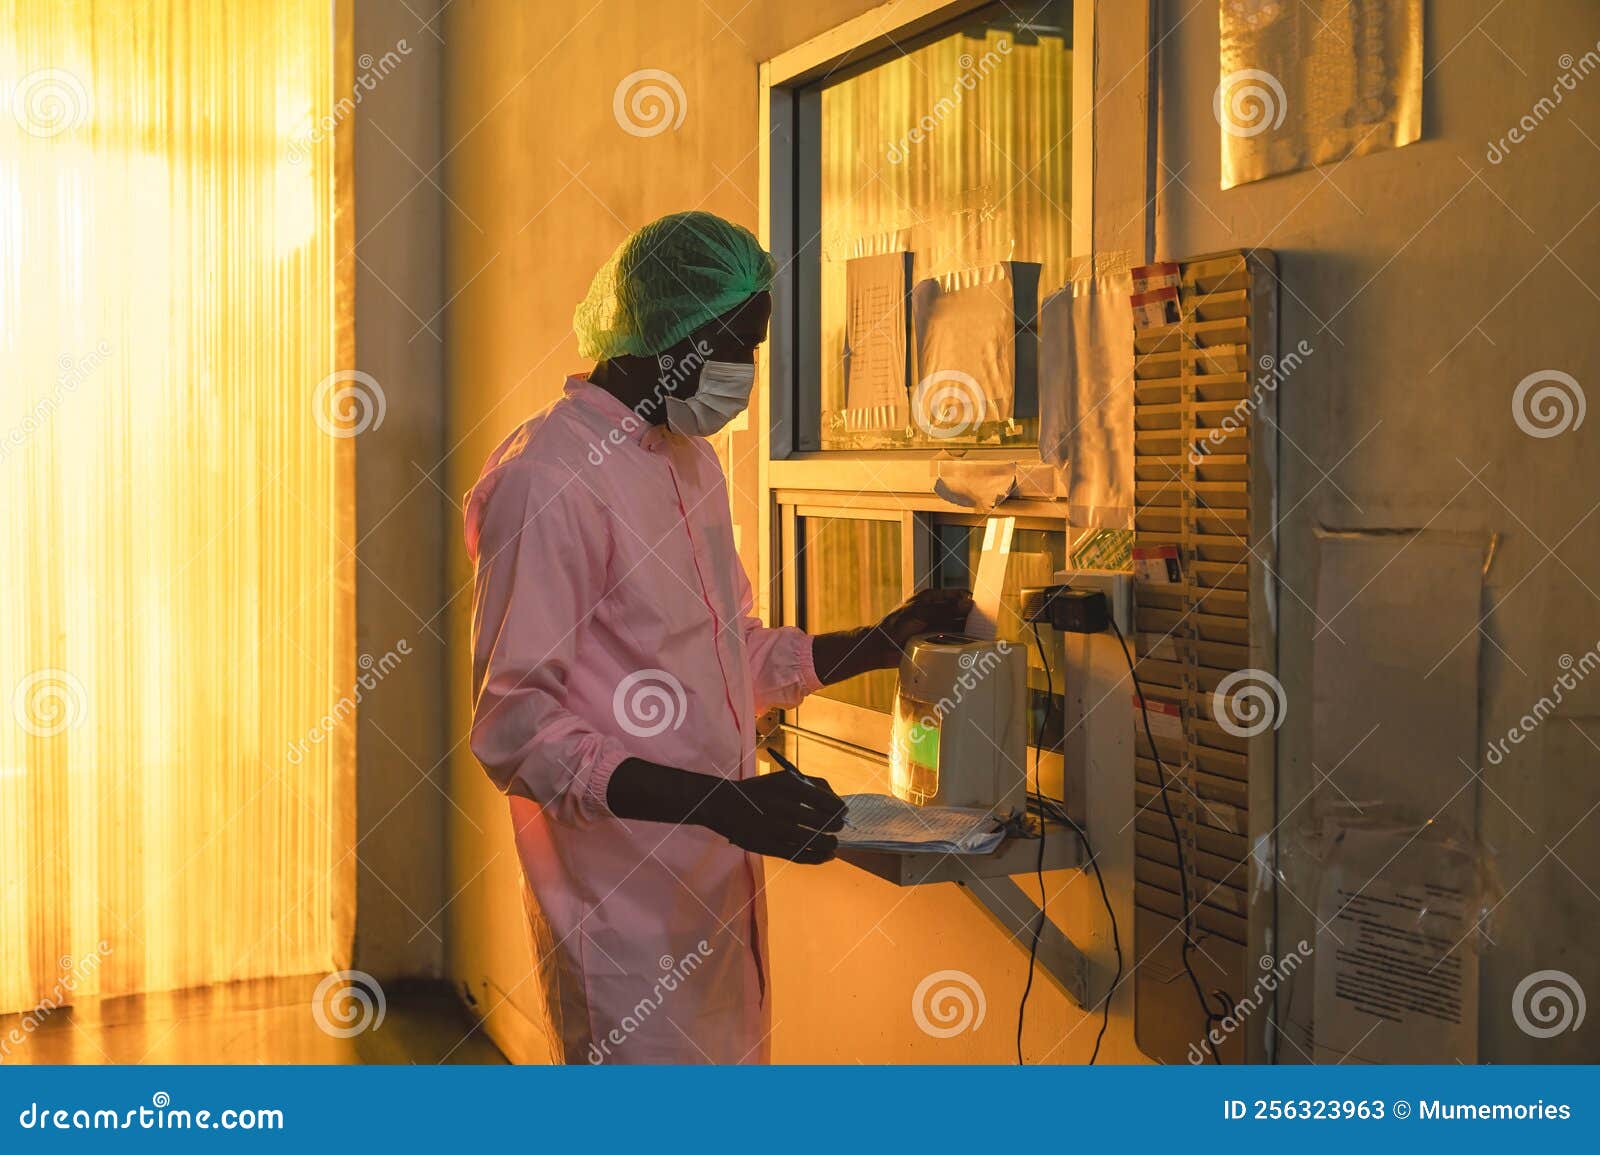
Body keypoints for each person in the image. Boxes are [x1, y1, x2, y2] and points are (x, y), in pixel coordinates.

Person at [464, 210, 972, 1064]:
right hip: (621, 916)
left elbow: (726, 651)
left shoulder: (690, 465)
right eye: (735, 344)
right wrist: (724, 804)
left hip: (715, 892)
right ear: (662, 331)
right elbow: (515, 731)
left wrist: (878, 641)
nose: (744, 372)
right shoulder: (548, 482)